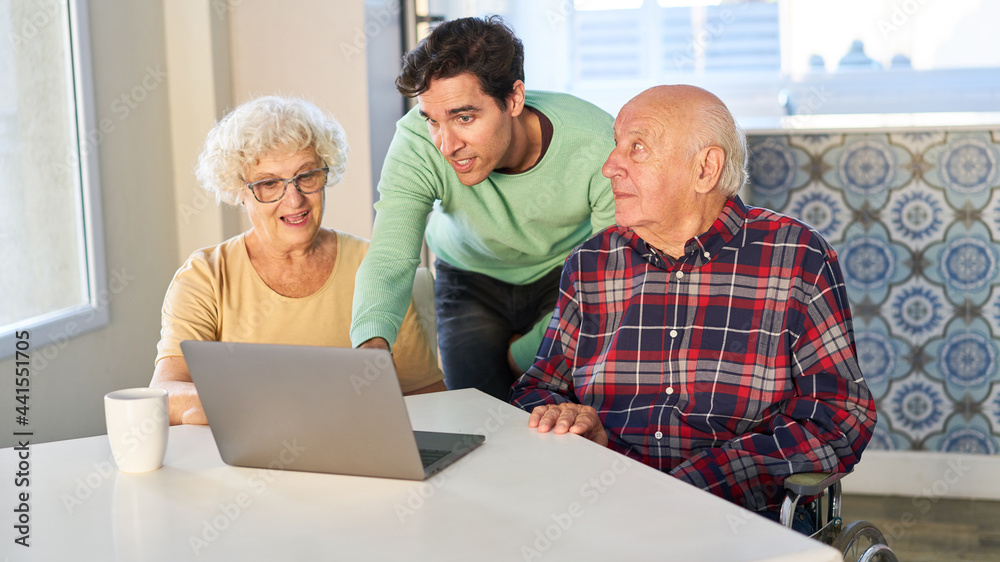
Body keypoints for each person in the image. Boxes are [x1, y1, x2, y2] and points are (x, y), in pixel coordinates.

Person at [510, 85, 877, 529]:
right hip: (598, 506)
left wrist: (690, 487)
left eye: (637, 148)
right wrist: (566, 418)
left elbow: (839, 417)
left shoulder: (797, 257)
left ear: (705, 168)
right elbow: (538, 389)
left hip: (740, 521)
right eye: (616, 145)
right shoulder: (590, 264)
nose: (609, 166)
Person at [350, 16, 616, 401]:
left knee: (563, 417)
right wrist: (371, 348)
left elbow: (604, 278)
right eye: (433, 121)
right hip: (470, 276)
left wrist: (521, 355)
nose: (446, 145)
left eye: (464, 117)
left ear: (513, 99)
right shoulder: (416, 144)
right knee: (475, 418)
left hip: (566, 277)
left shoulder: (596, 142)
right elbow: (390, 256)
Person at [151, 96, 445, 425]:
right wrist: (257, 404)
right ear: (240, 191)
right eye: (268, 183)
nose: (294, 199)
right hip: (246, 467)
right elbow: (166, 393)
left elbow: (428, 398)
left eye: (306, 176)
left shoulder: (375, 267)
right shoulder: (205, 276)